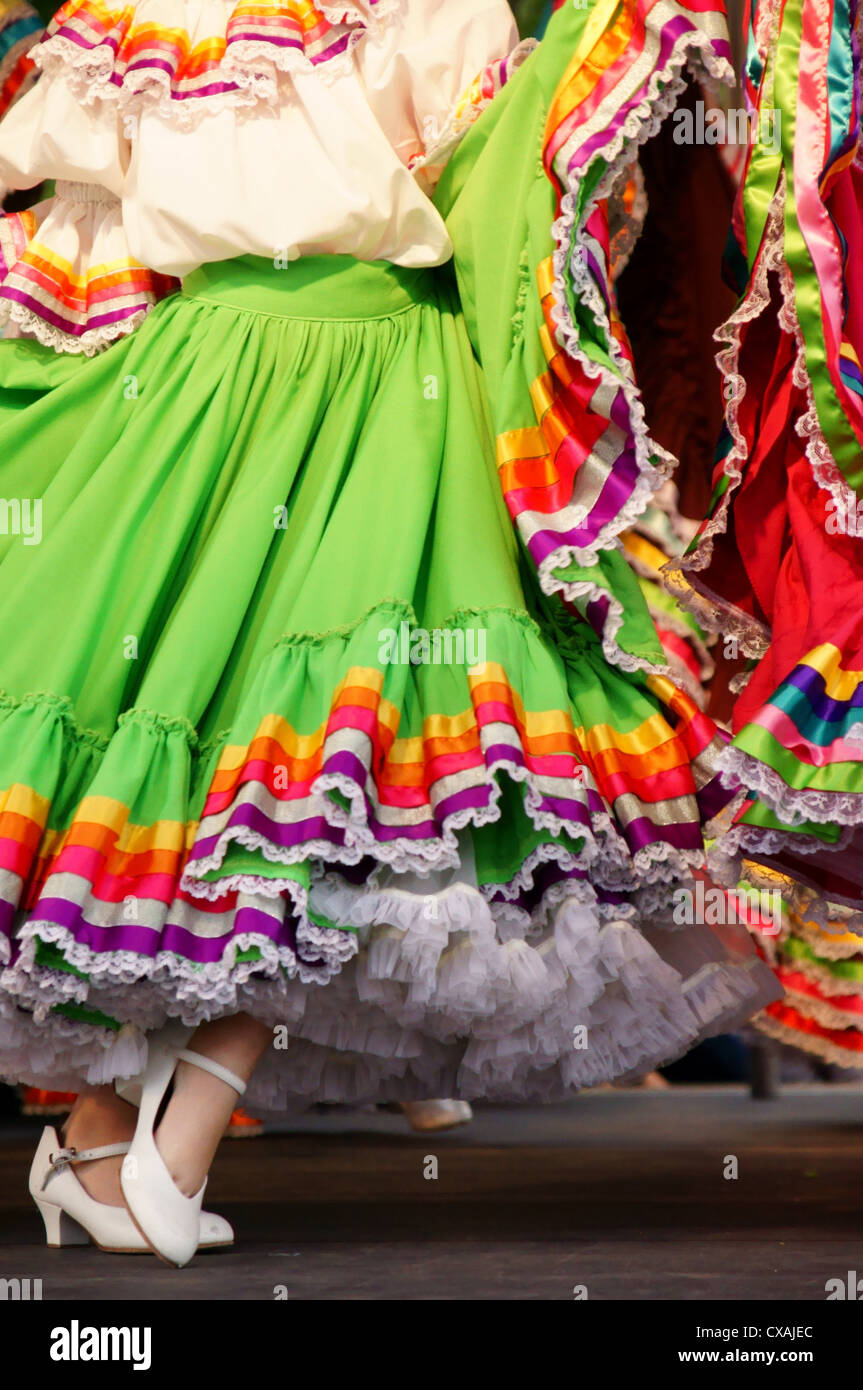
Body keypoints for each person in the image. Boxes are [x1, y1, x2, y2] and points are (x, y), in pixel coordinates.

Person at [0, 0, 778, 1266]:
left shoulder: (140, 14)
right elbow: (486, 194)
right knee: (331, 776)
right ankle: (150, 1139)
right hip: (361, 380)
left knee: (254, 774)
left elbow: (67, 203)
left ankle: (108, 1142)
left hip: (205, 382)